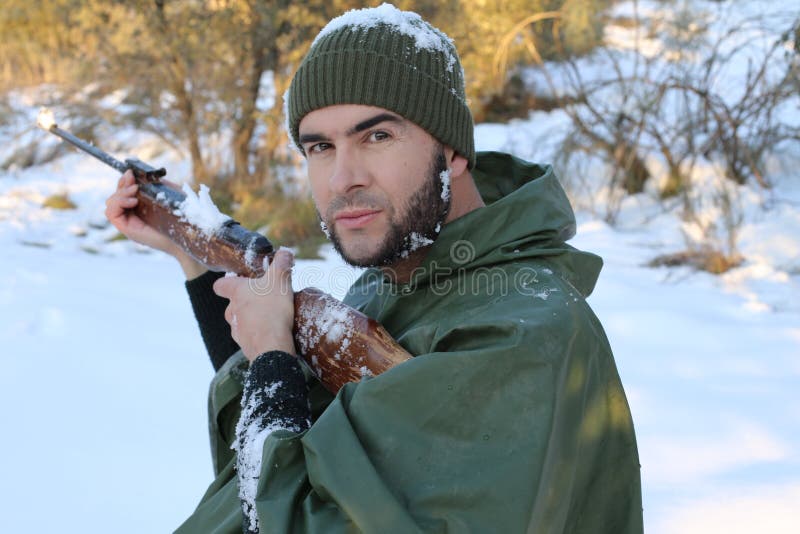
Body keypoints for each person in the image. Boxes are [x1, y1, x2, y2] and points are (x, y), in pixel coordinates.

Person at [106, 4, 643, 533]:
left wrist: (274, 354)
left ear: (453, 149)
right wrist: (197, 260)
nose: (342, 178)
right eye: (320, 146)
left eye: (376, 136)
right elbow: (277, 454)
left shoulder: (519, 336)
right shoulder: (394, 283)